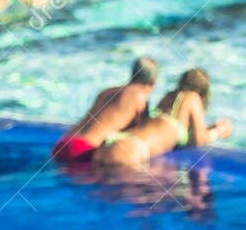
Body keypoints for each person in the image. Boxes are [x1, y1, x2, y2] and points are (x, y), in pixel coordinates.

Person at [91, 67, 231, 168]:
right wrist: (219, 131)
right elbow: (198, 140)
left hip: (112, 142)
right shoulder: (192, 97)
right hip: (133, 150)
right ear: (204, 92)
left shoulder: (167, 98)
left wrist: (208, 128)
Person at [51, 56, 159, 162]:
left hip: (62, 143)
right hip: (84, 150)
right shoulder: (140, 98)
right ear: (153, 81)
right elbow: (140, 131)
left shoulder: (107, 91)